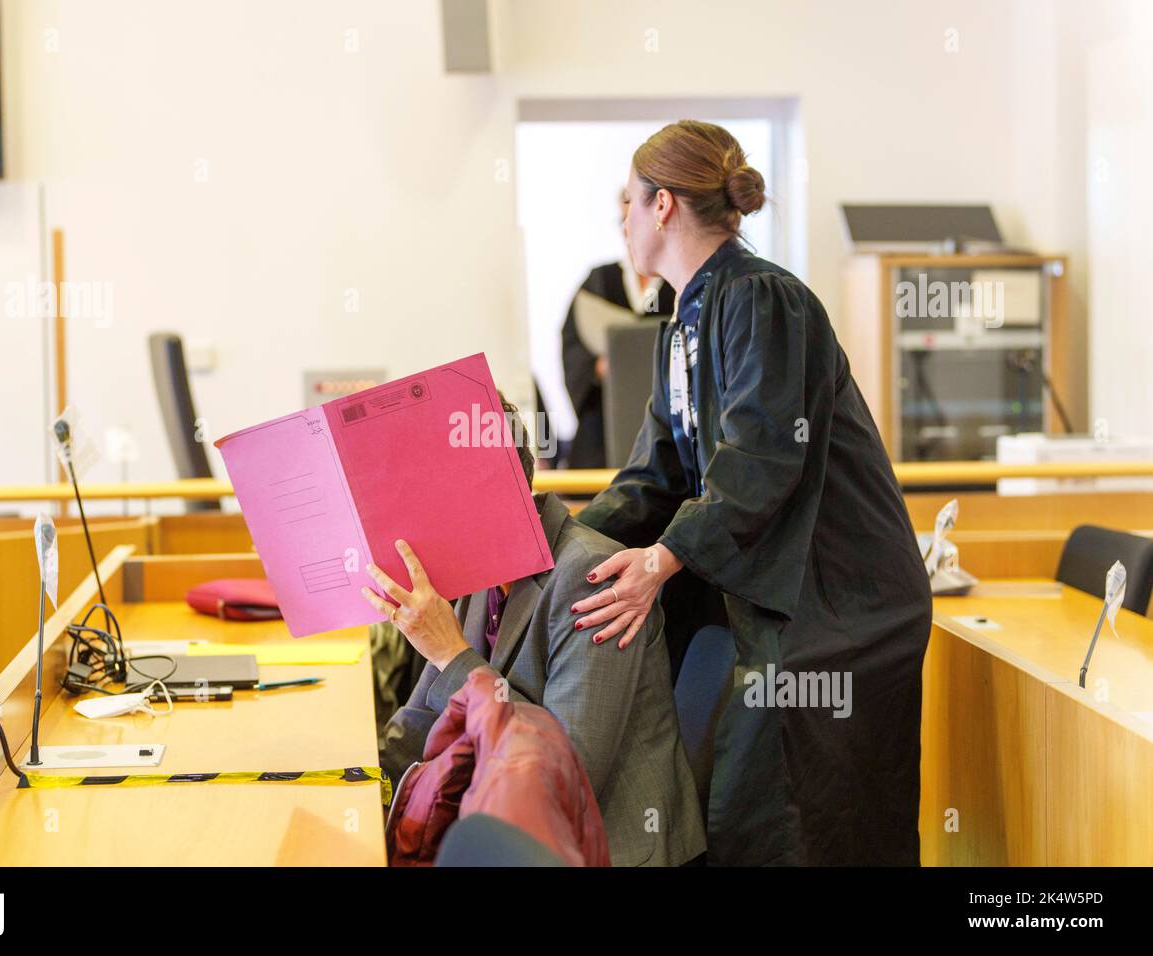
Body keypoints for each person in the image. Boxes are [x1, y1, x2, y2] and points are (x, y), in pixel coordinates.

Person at [570, 121, 932, 866]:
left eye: (629, 208)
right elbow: (657, 474)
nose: (625, 225)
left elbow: (762, 460)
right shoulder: (684, 323)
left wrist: (661, 562)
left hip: (841, 607)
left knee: (808, 826)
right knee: (742, 811)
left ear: (662, 205)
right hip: (781, 604)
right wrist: (558, 548)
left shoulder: (762, 299)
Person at [370, 397, 705, 866]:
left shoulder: (591, 572)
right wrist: (359, 781)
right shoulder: (478, 571)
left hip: (605, 848)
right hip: (514, 832)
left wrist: (452, 653)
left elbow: (566, 772)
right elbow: (423, 715)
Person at [561, 189, 676, 469]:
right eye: (622, 221)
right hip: (605, 423)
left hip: (668, 423)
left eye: (634, 220)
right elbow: (572, 345)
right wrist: (599, 367)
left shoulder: (678, 284)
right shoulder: (599, 281)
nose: (627, 230)